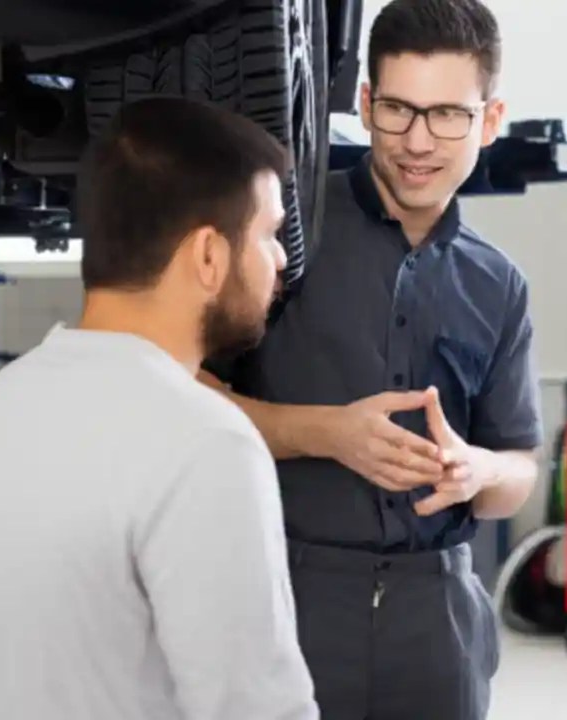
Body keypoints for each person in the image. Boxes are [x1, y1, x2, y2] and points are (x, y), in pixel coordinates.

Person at [201, 0, 541, 718]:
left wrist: (479, 470)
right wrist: (324, 433)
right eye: (397, 110)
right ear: (364, 103)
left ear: (489, 117)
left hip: (438, 616)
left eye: (447, 114)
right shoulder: (284, 236)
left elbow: (519, 470)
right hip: (290, 596)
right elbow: (185, 397)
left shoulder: (499, 283)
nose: (418, 141)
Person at [0, 97, 319, 720]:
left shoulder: (0, 405)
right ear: (208, 256)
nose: (281, 258)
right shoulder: (205, 442)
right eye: (268, 234)